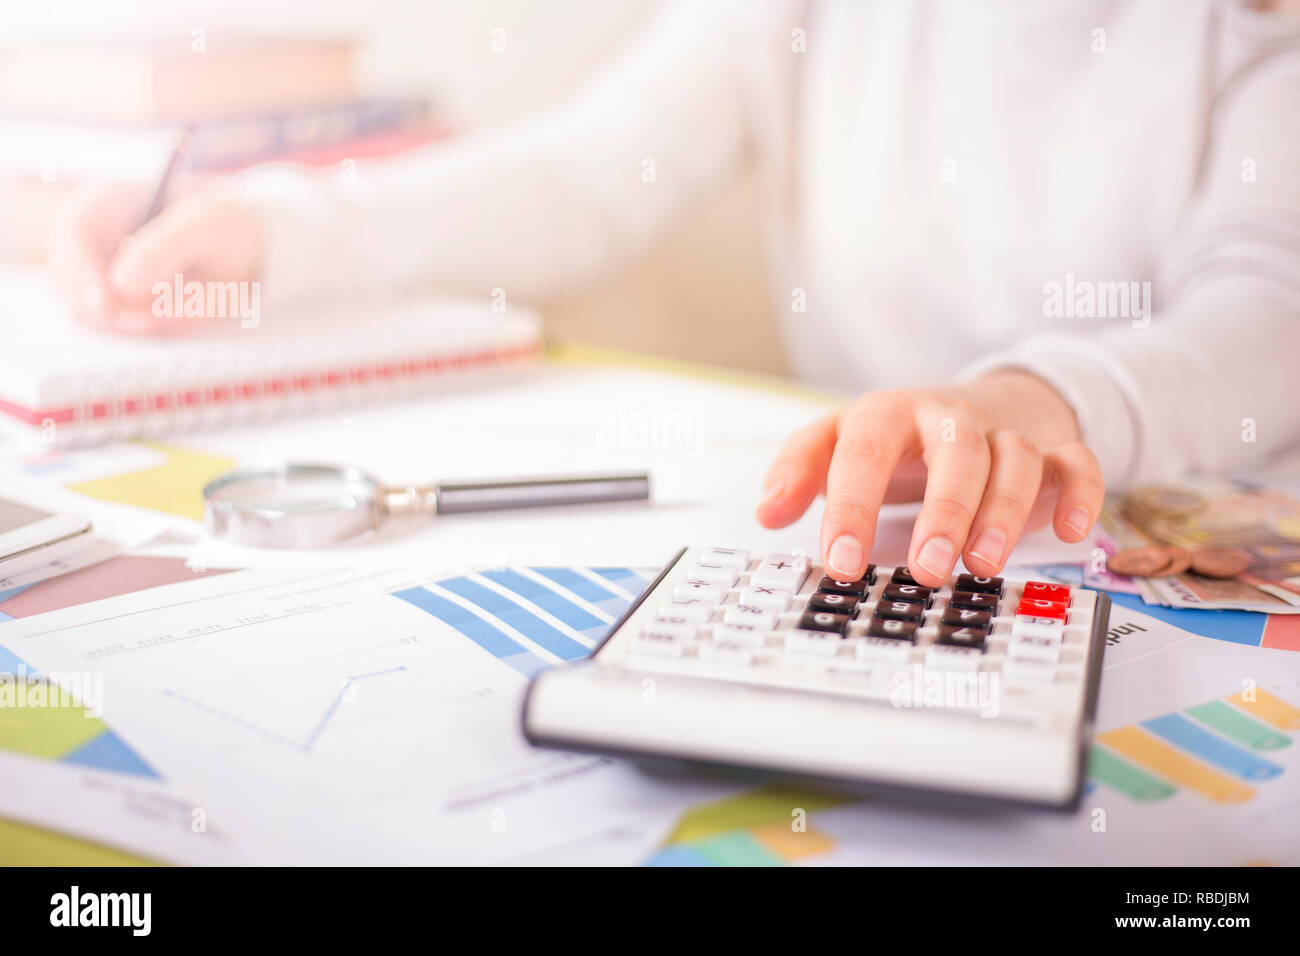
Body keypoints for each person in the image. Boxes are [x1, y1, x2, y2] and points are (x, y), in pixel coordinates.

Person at [48, 0, 1300, 587]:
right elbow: (584, 175)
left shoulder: (1249, 35)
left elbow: (1263, 311)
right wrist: (275, 227)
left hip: (1166, 564)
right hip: (877, 554)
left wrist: (1037, 398)